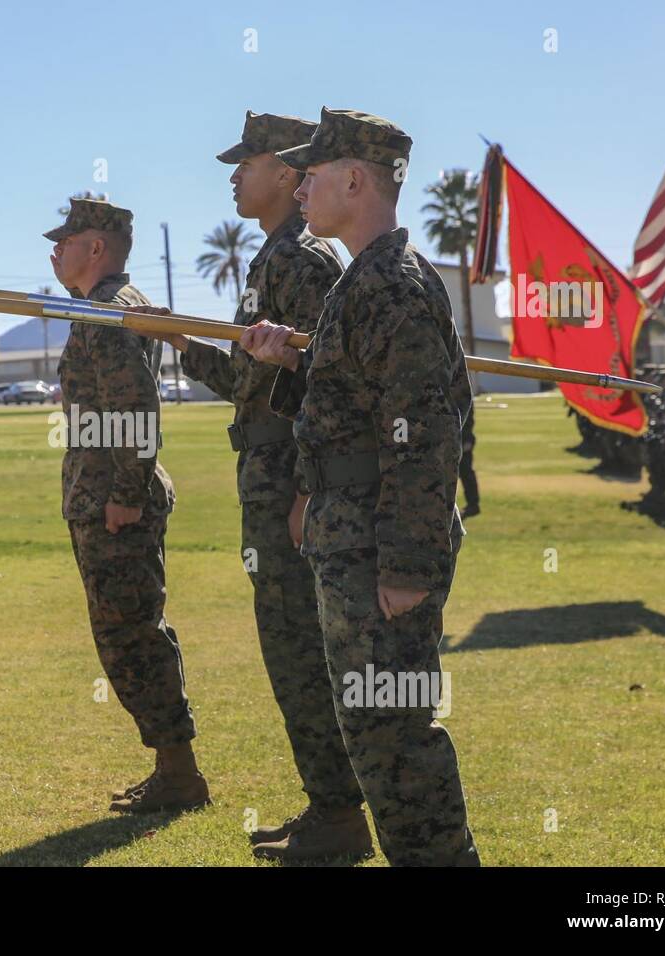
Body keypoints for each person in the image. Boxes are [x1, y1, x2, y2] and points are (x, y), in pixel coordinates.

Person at [241, 107, 480, 865]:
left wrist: (408, 566)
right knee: (371, 732)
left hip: (381, 543)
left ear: (354, 179)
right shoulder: (362, 280)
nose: (301, 185)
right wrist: (292, 364)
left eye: (312, 173)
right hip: (351, 534)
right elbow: (357, 403)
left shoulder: (394, 285)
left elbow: (424, 436)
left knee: (397, 734)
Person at [132, 111, 370, 861]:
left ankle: (339, 814)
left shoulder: (300, 262)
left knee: (301, 650)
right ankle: (329, 804)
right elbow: (249, 380)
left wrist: (306, 491)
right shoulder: (274, 258)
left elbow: (327, 387)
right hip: (268, 481)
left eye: (248, 162)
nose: (235, 174)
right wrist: (178, 340)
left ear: (290, 171)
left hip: (291, 488)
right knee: (289, 648)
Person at [46, 197, 209, 813]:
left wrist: (124, 495)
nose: (55, 250)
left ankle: (179, 773)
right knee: (131, 632)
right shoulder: (108, 308)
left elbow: (135, 406)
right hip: (103, 494)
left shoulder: (109, 312)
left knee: (130, 637)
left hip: (113, 501)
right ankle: (174, 766)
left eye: (67, 239)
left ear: (97, 248)